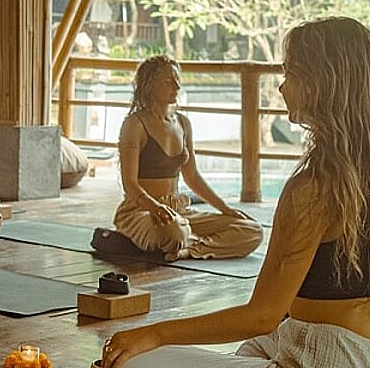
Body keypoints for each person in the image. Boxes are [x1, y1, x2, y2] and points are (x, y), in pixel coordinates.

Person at [99, 18, 370, 368]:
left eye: (290, 73)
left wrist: (153, 333)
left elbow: (262, 315)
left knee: (132, 365)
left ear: (320, 82)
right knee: (263, 345)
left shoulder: (311, 186)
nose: (282, 86)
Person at [111, 55, 263, 260]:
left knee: (252, 230)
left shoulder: (183, 123)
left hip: (178, 210)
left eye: (177, 79)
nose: (177, 85)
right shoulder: (134, 124)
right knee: (175, 232)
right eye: (168, 81)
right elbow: (129, 183)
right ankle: (184, 242)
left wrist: (225, 209)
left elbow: (192, 176)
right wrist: (154, 207)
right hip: (142, 211)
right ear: (149, 85)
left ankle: (190, 248)